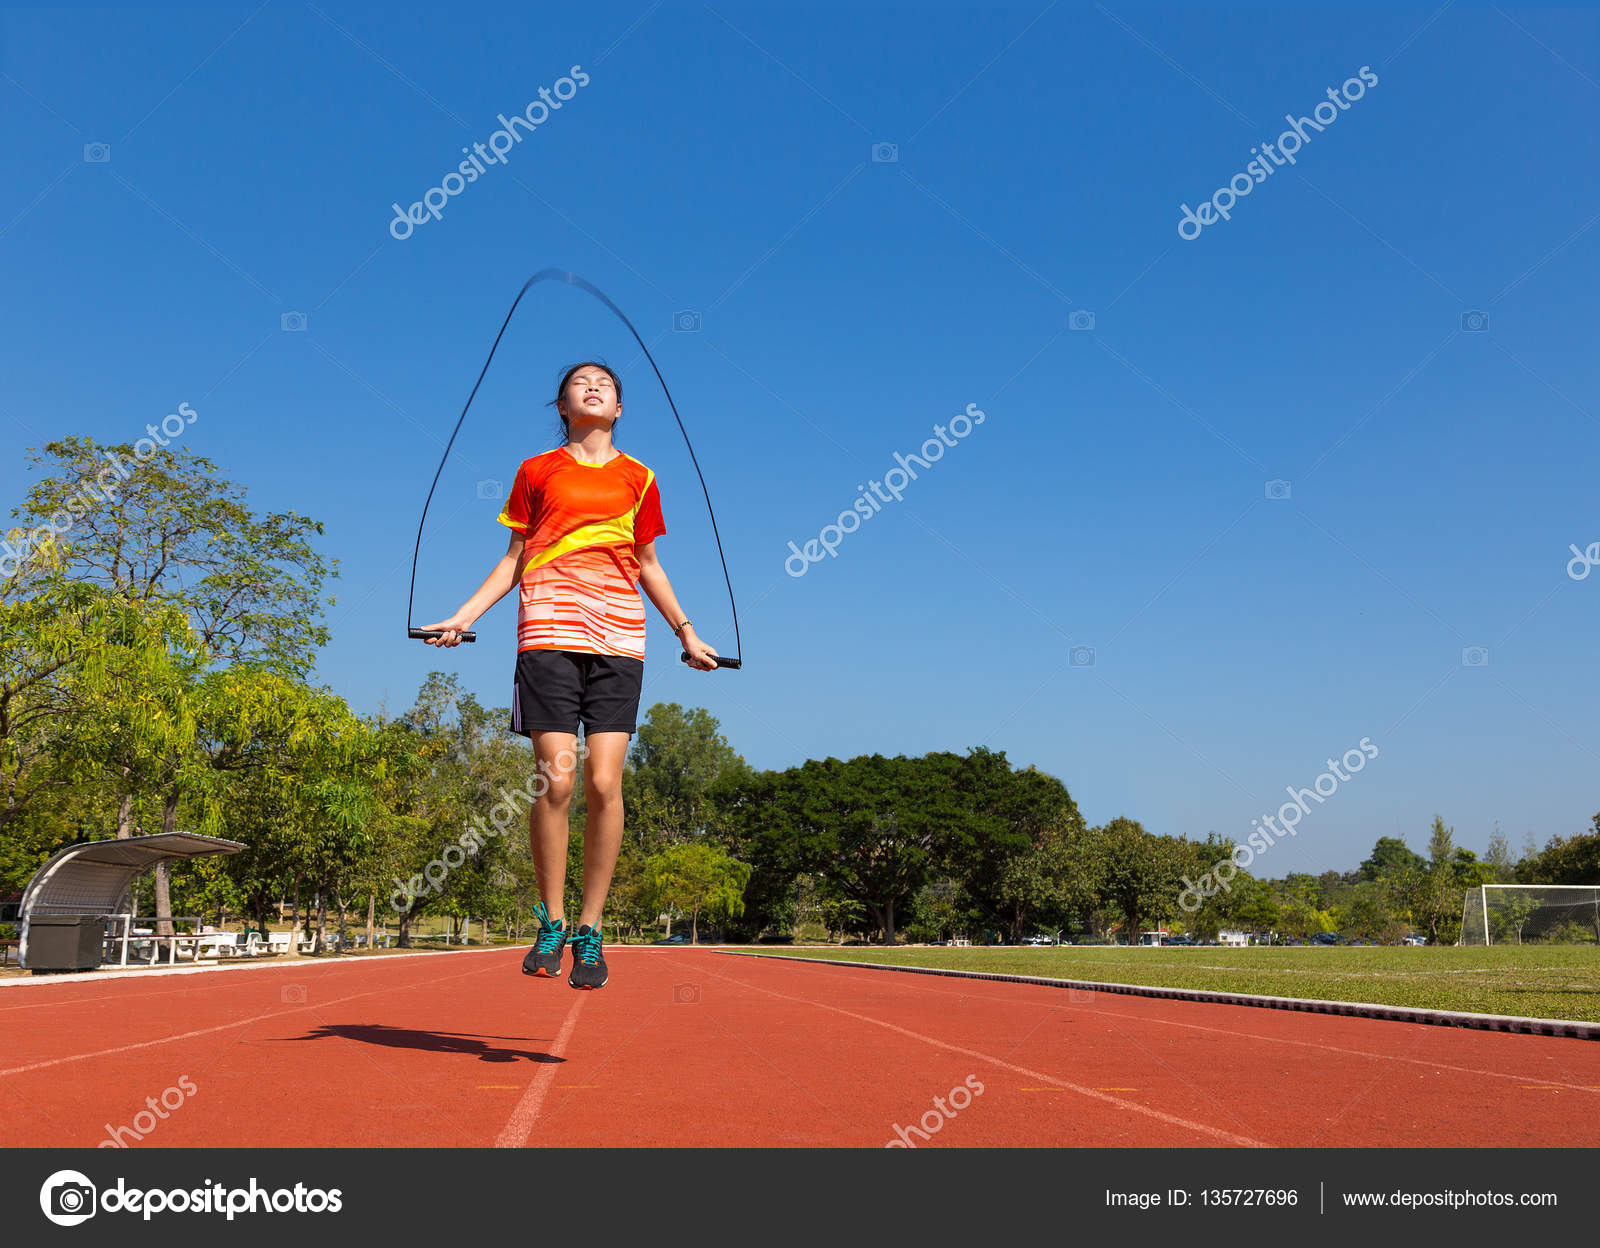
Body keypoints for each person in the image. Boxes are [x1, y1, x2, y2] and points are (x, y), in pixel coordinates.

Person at [421, 361, 719, 989]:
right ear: (561, 406)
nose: (593, 389)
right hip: (548, 636)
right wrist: (462, 615)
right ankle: (551, 919)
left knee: (604, 784)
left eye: (605, 386)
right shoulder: (536, 471)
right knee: (555, 783)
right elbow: (514, 559)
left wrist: (686, 632)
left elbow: (649, 564)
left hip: (620, 641)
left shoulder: (640, 477)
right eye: (580, 384)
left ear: (618, 409)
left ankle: (591, 928)